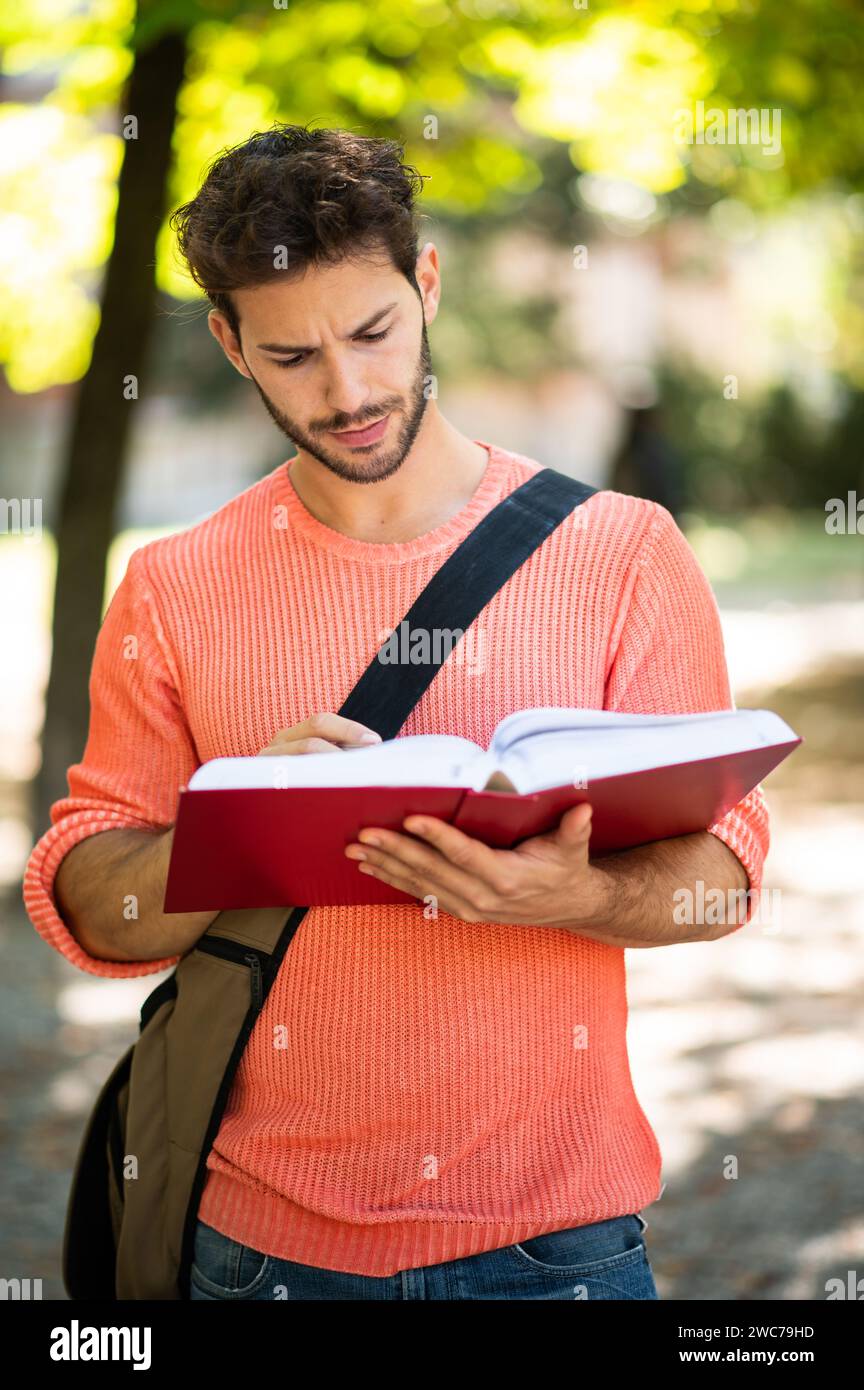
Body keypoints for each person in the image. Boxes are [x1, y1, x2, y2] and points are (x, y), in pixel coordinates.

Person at [23, 124, 769, 1302]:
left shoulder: (622, 551)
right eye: (292, 355)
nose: (351, 390)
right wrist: (239, 827)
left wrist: (579, 896)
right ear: (230, 344)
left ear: (426, 284)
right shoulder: (176, 584)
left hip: (556, 1246)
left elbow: (723, 875)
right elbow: (90, 901)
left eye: (373, 333)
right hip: (257, 1253)